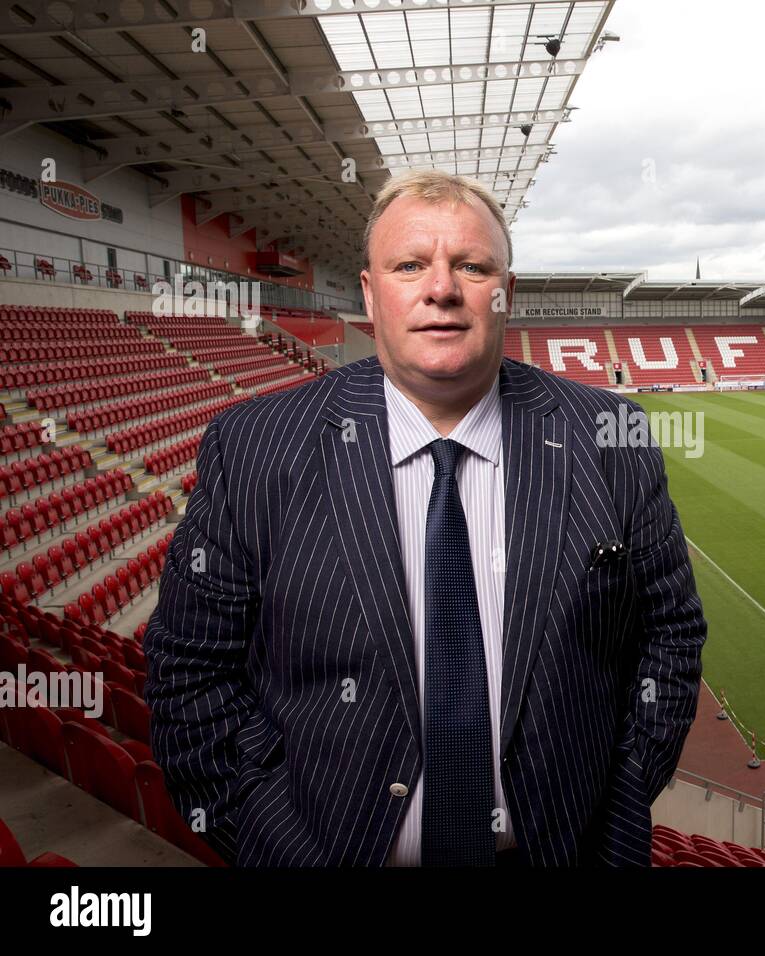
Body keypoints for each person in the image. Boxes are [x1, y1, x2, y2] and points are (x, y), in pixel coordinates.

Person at [143, 169, 708, 866]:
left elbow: (670, 637)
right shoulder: (255, 447)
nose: (441, 288)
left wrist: (616, 802)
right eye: (409, 265)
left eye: (472, 266)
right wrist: (274, 844)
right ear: (370, 295)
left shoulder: (608, 436)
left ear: (507, 293)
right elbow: (188, 672)